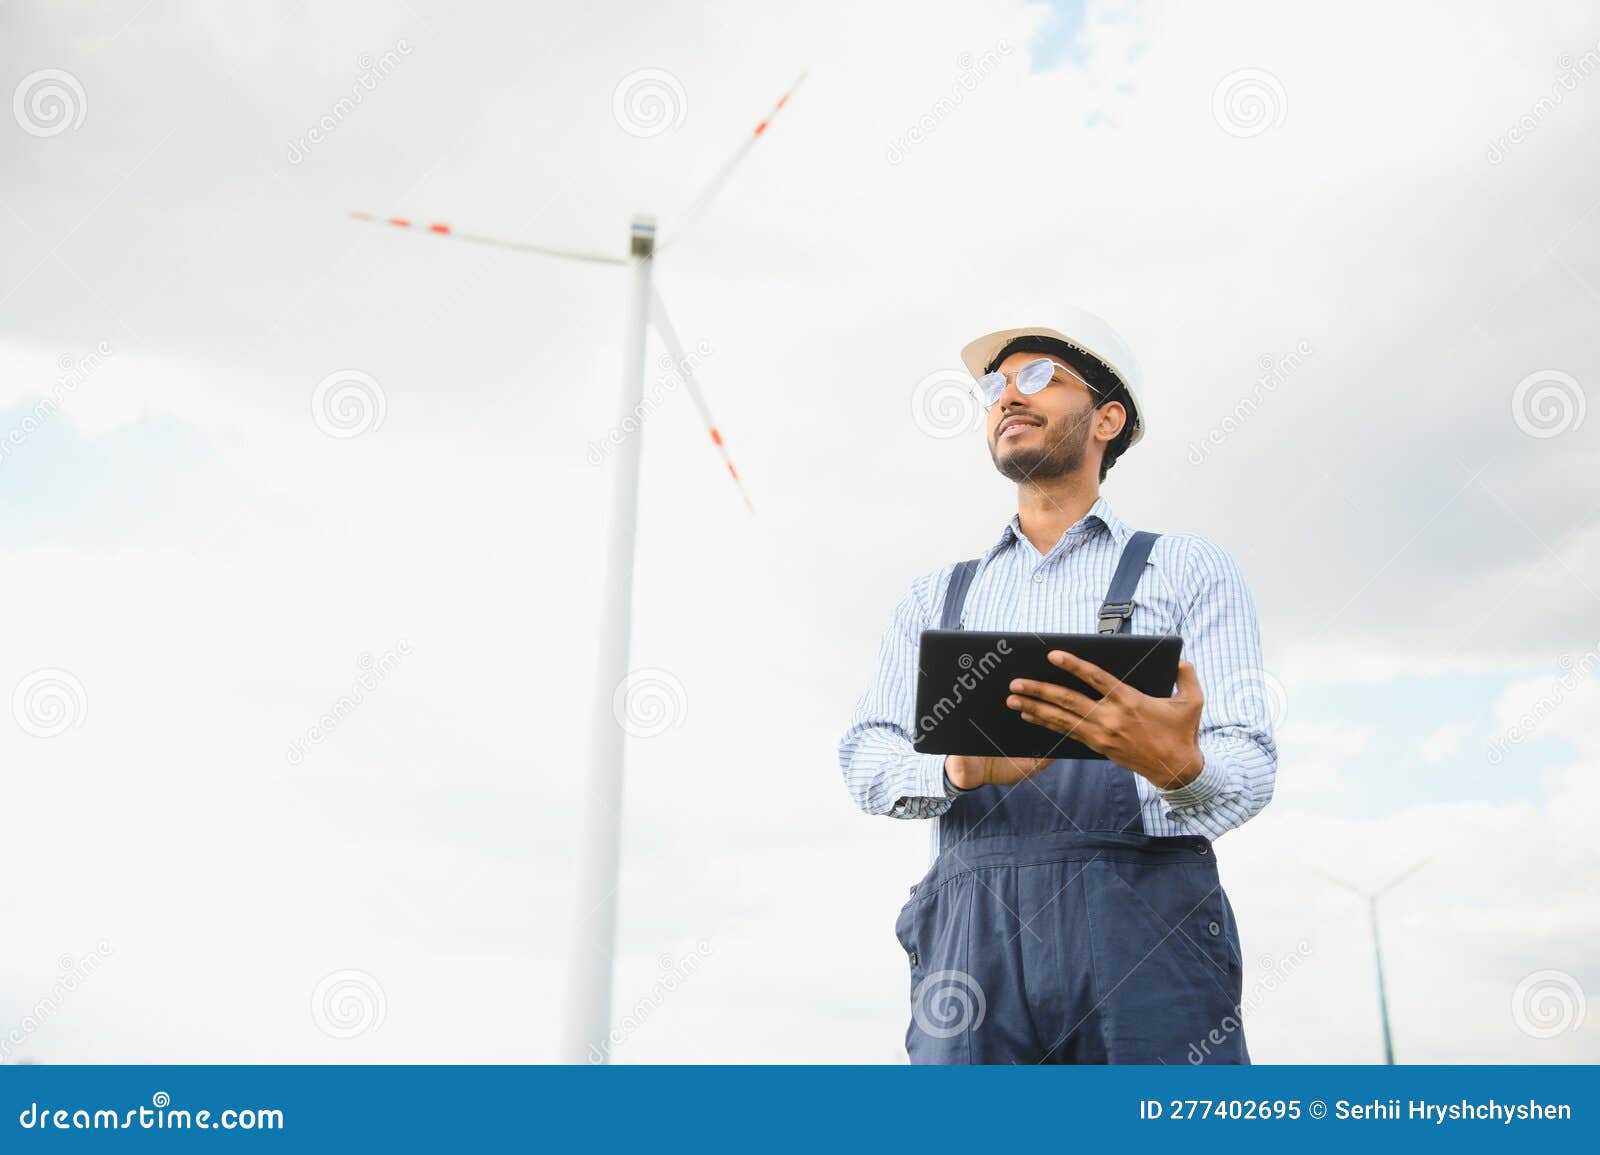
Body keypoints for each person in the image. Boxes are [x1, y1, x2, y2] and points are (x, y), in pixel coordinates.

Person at [838, 308, 1277, 1064]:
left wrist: (1178, 766)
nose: (1009, 395)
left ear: (1108, 417)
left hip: (1146, 937)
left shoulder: (1189, 569)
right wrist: (955, 767)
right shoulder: (936, 599)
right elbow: (865, 757)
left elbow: (1250, 767)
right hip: (972, 946)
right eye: (997, 384)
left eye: (1039, 376)